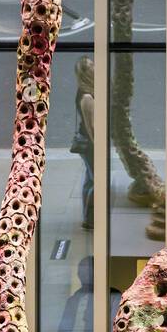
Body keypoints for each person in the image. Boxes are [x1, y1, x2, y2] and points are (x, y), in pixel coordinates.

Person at [73, 56, 96, 230]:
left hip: (87, 143)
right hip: (90, 144)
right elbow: (91, 126)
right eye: (91, 66)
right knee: (96, 181)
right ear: (85, 73)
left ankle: (87, 217)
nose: (94, 68)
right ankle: (89, 219)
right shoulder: (87, 96)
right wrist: (98, 146)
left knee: (89, 180)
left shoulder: (84, 90)